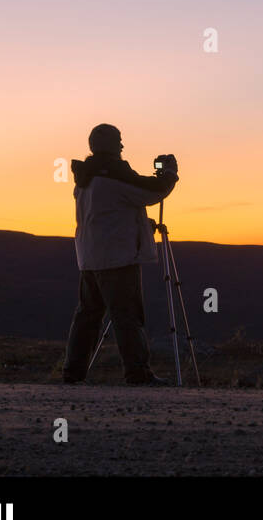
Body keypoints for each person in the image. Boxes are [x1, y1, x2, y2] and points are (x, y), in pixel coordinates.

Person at [61, 124, 178, 384]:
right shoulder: (114, 174)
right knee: (127, 315)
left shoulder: (85, 177)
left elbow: (108, 211)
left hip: (89, 256)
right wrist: (169, 174)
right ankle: (138, 373)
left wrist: (136, 225)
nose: (123, 147)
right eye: (119, 142)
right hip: (116, 257)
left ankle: (73, 372)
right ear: (112, 146)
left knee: (87, 316)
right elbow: (152, 192)